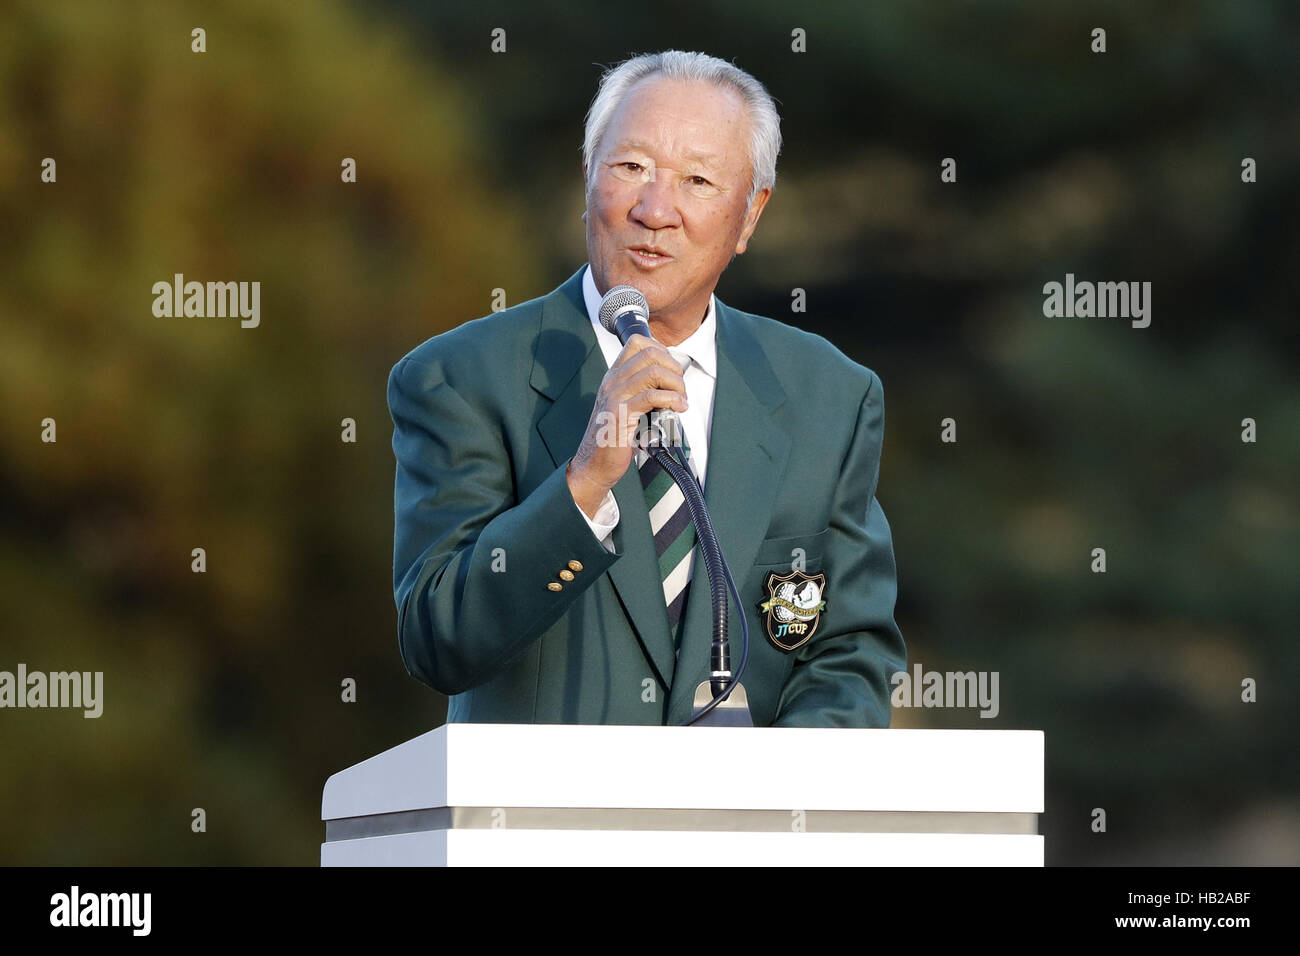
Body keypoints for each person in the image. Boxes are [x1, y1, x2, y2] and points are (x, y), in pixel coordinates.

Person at [387, 50, 905, 727]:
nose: (656, 209)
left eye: (697, 180)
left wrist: (774, 801)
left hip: (747, 828)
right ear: (586, 179)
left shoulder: (828, 394)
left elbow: (850, 654)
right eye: (631, 168)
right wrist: (584, 483)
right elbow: (438, 641)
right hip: (537, 828)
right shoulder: (460, 377)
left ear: (750, 215)